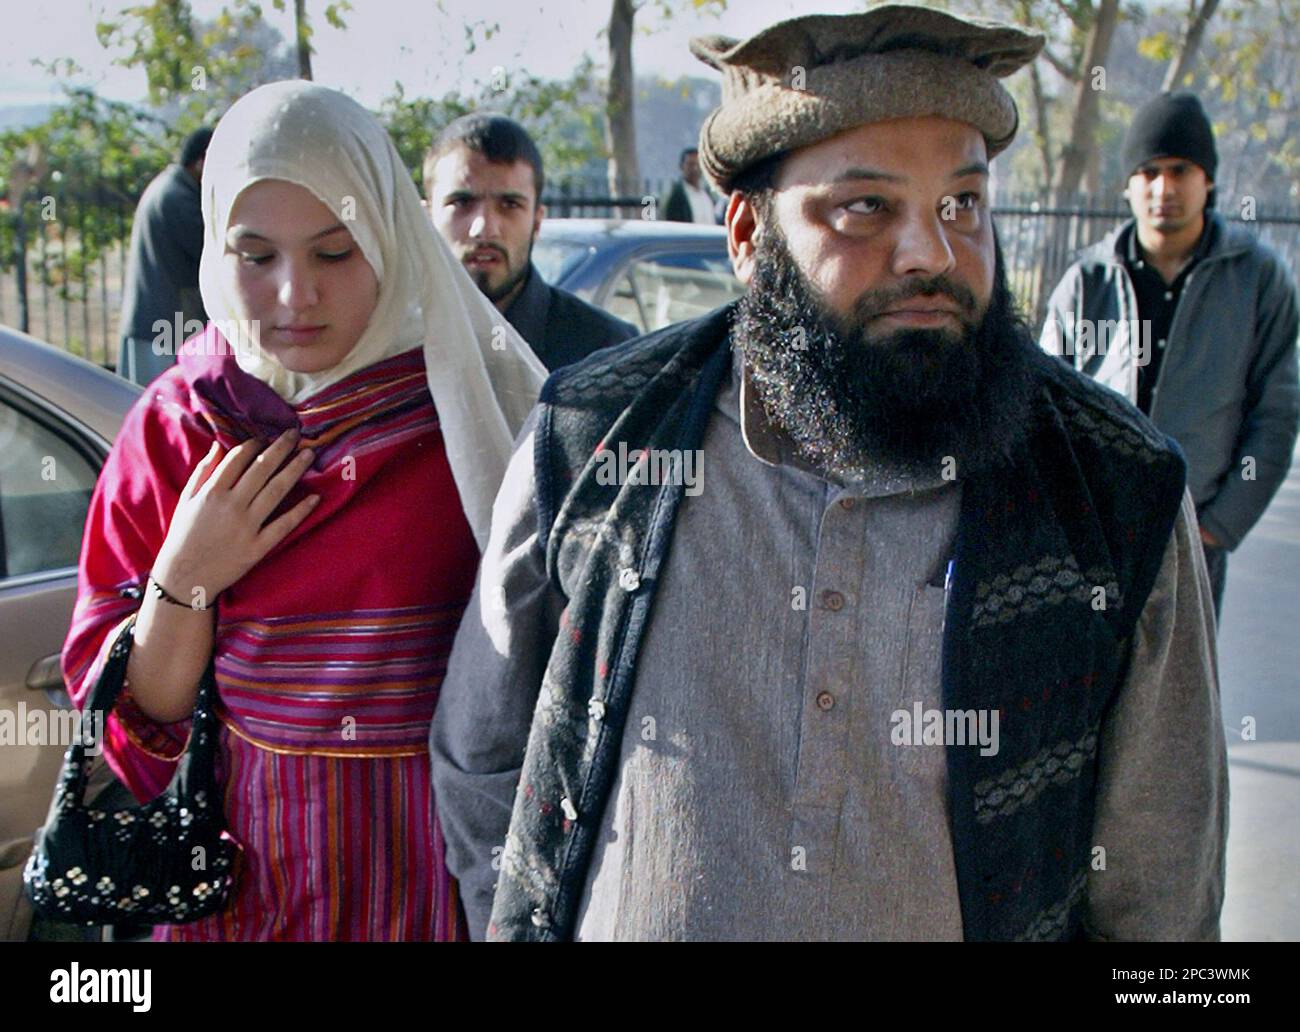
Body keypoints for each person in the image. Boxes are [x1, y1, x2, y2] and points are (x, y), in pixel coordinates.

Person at [430, 7, 1227, 942]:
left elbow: (1162, 899)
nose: (933, 252)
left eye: (961, 205)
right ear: (744, 233)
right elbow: (481, 760)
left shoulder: (1114, 491)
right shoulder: (596, 437)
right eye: (866, 207)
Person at [62, 81, 546, 941]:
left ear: (391, 240)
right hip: (251, 871)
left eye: (334, 253)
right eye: (256, 256)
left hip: (444, 869)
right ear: (214, 252)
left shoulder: (477, 406)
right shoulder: (181, 427)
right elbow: (136, 740)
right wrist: (184, 580)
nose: (295, 296)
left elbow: (565, 656)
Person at [1041, 91, 1300, 622]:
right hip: (1094, 542)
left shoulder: (1256, 279)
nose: (1164, 188)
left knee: (1179, 701)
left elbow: (1275, 414)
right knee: (1089, 695)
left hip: (1194, 540)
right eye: (1149, 171)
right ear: (1129, 185)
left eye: (1180, 170)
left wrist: (1217, 528)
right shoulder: (1088, 280)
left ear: (1207, 179)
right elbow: (1044, 410)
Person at [424, 114, 637, 371]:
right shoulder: (390, 342)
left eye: (509, 205)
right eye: (462, 202)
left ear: (537, 222)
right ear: (427, 218)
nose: (485, 228)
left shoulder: (606, 352)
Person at [117, 127, 212, 386]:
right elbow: (212, 254)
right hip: (164, 327)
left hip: (158, 323)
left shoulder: (169, 188)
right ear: (202, 162)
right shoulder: (178, 197)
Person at [663, 146, 717, 224]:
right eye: (690, 164)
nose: (695, 169)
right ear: (681, 167)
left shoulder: (707, 194)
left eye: (698, 165)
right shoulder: (677, 196)